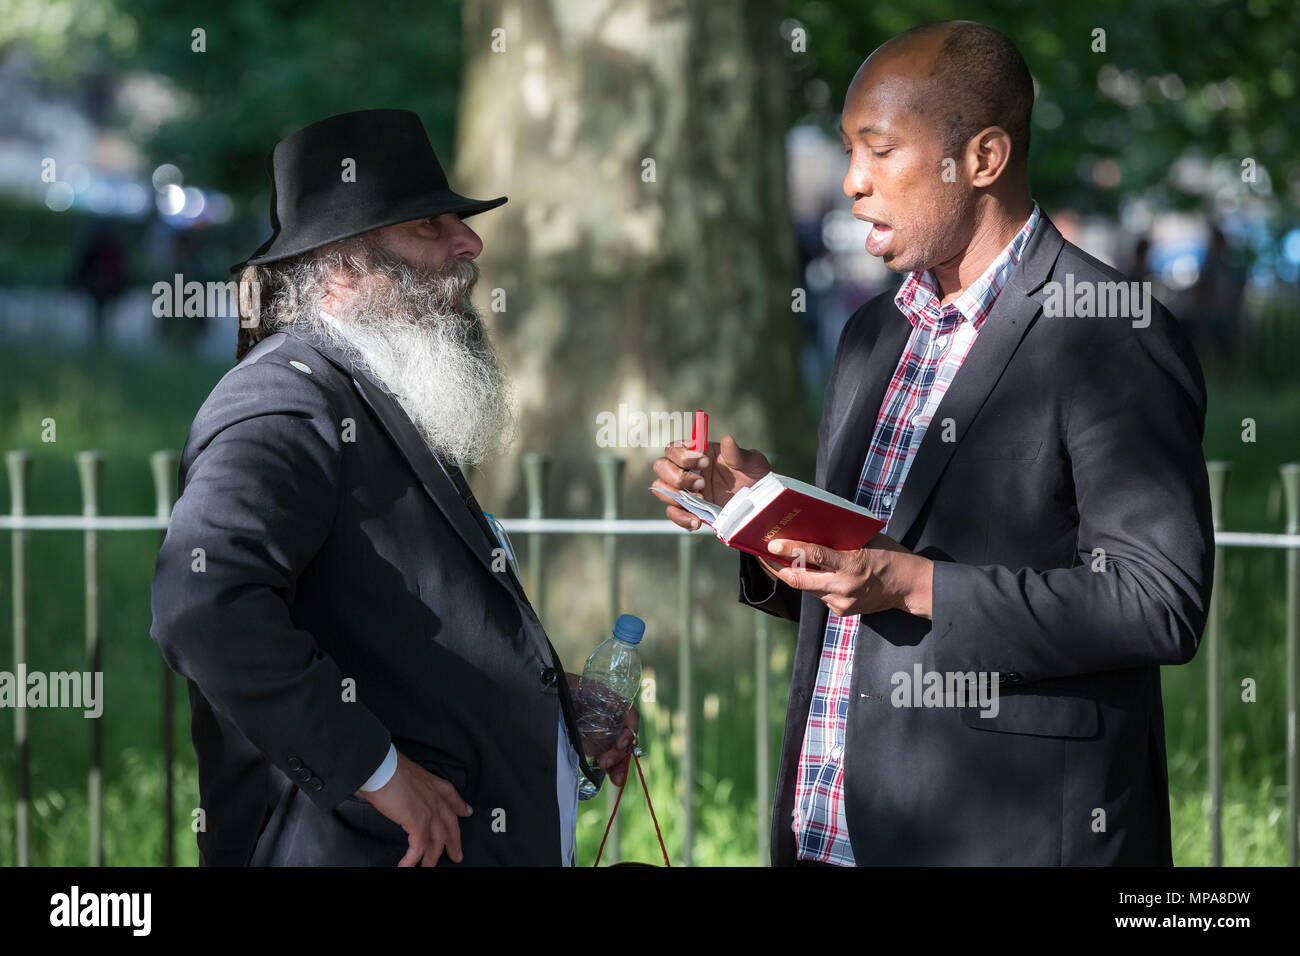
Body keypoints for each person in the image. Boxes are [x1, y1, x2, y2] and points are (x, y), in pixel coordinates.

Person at [653, 21, 1212, 865]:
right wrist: (763, 511)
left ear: (983, 159)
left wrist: (919, 586)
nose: (851, 182)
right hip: (831, 829)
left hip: (1008, 839)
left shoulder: (1109, 333)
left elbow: (1156, 603)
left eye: (879, 151)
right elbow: (860, 574)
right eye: (848, 151)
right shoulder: (872, 333)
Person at [151, 109, 636, 866]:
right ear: (343, 266)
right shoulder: (281, 401)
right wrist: (374, 771)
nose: (469, 245)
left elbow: (395, 629)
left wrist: (546, 704)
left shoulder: (370, 390)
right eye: (428, 227)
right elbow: (203, 607)